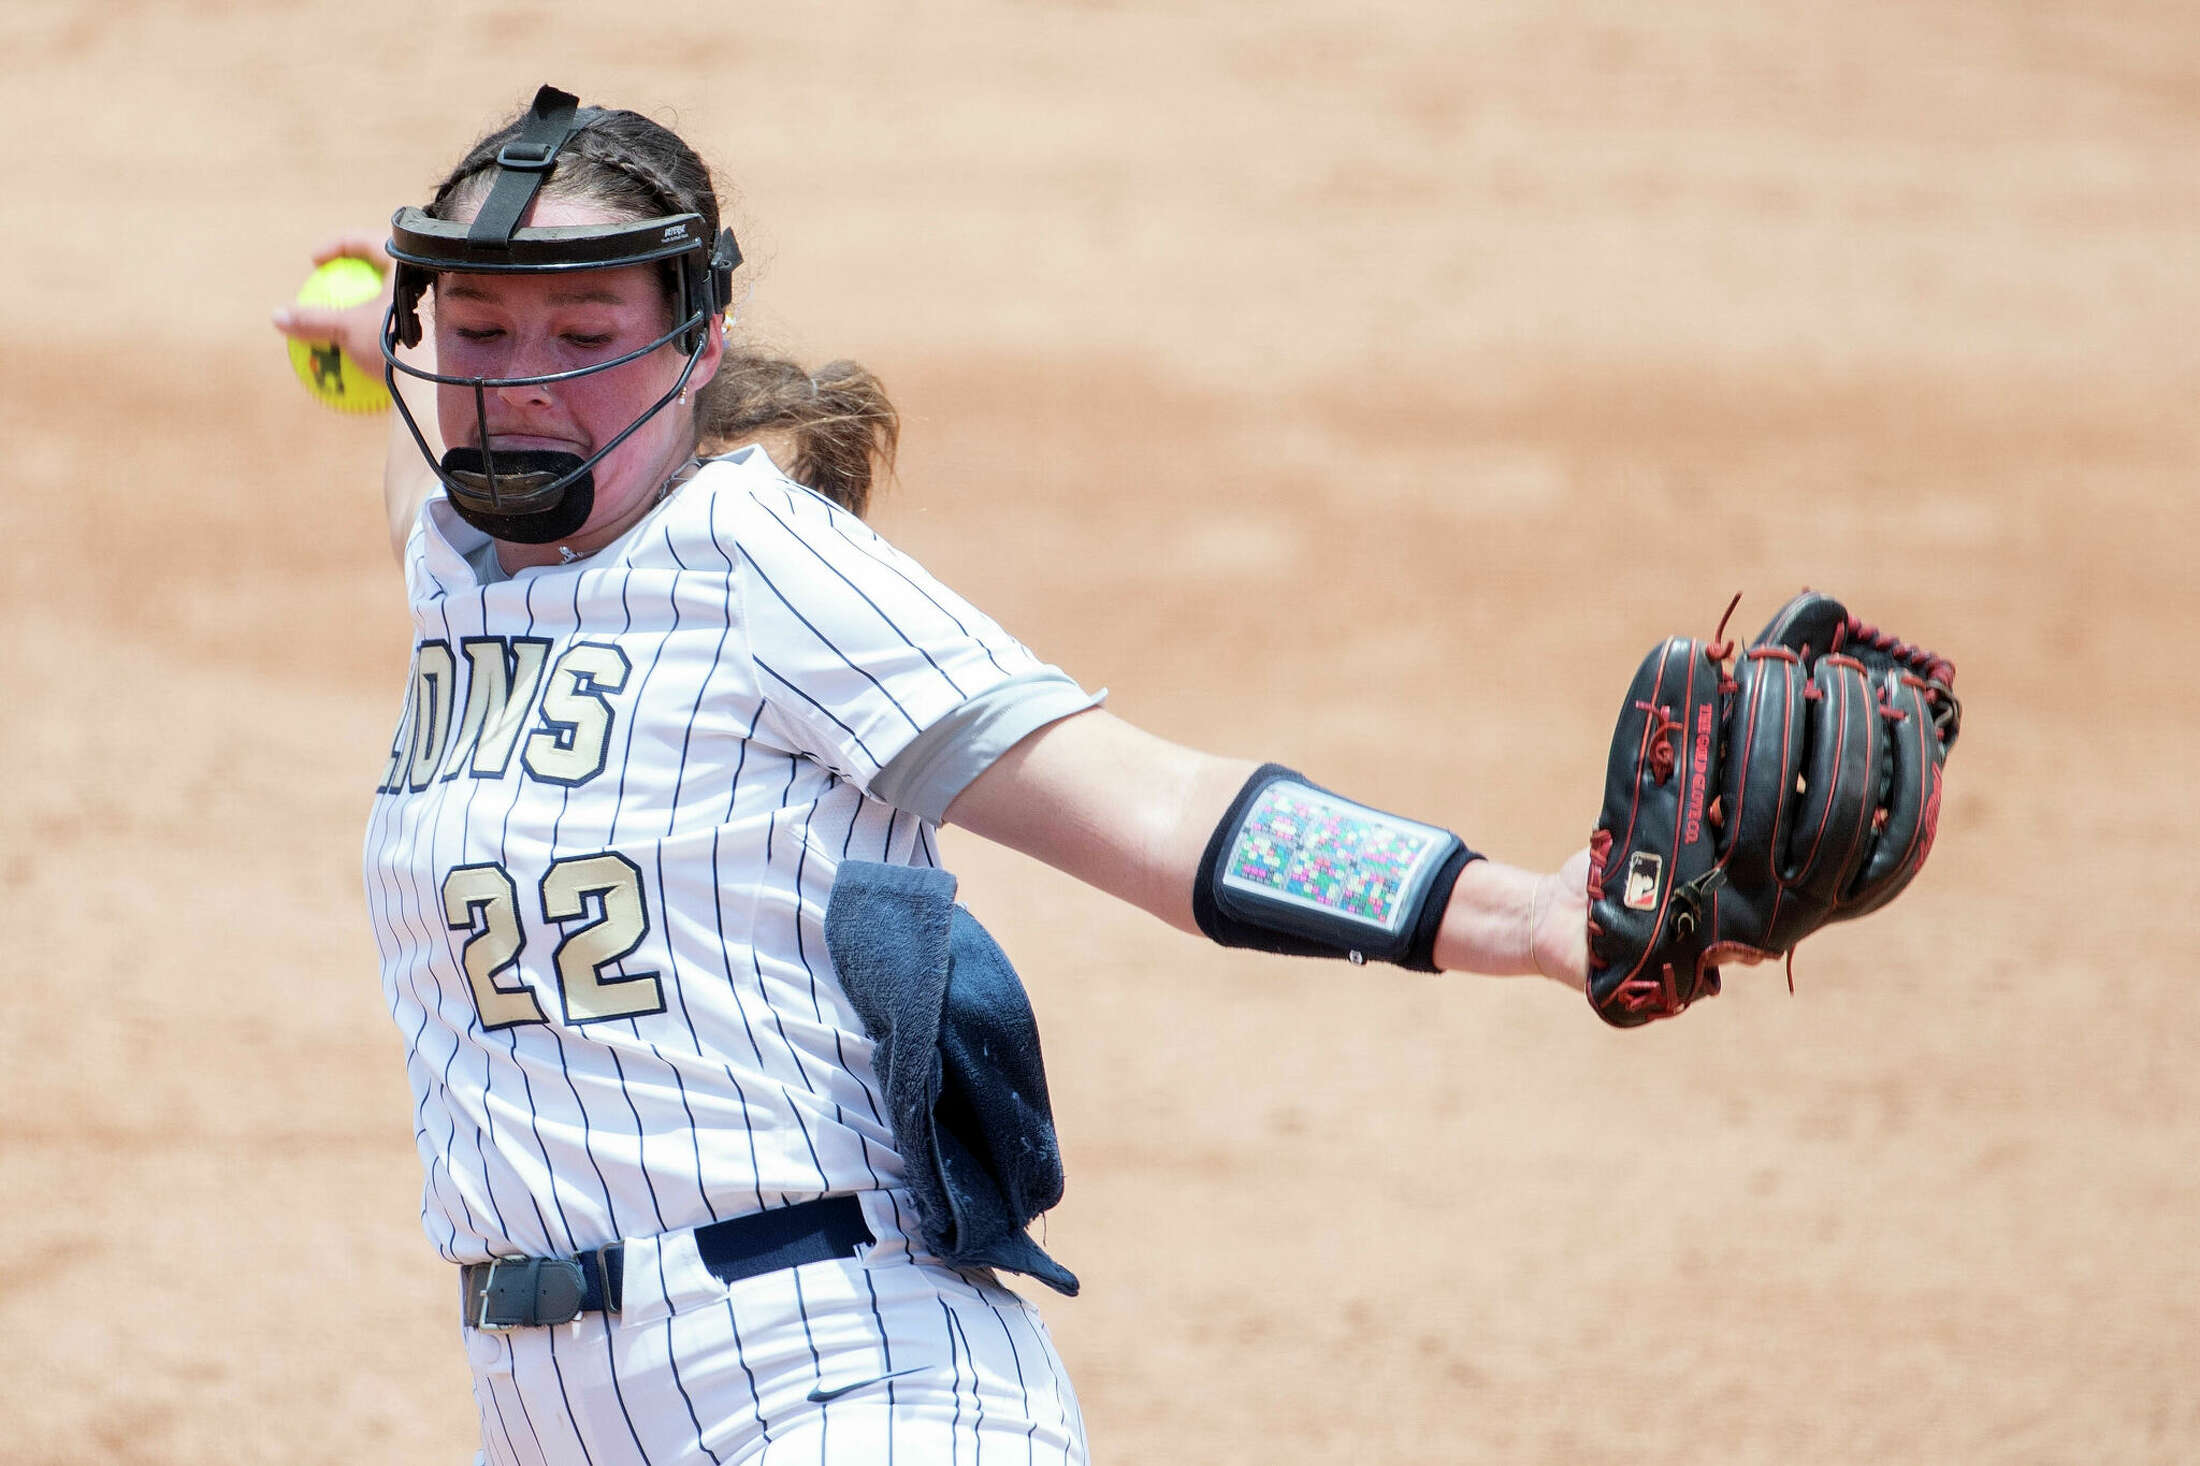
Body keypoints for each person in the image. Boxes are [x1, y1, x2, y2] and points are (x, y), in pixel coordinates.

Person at [274, 85, 1590, 1466]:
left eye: (587, 334)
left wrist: (1513, 915)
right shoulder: (461, 560)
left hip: (832, 1388)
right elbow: (447, 368)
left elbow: (1153, 805)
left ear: (696, 341)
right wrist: (390, 315)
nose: (524, 383)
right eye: (482, 329)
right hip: (546, 1422)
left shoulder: (756, 562)